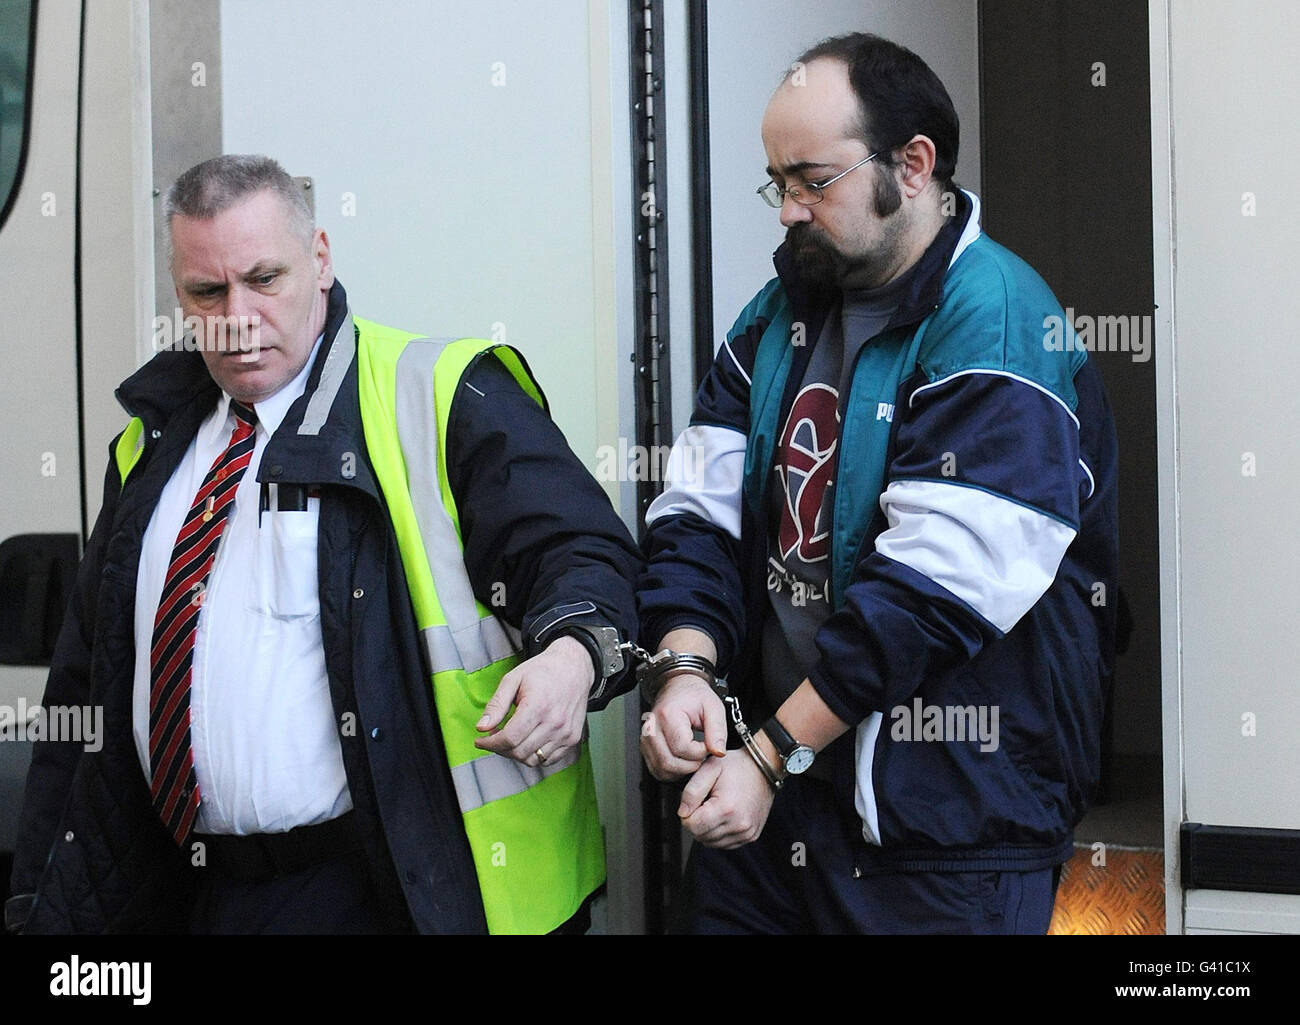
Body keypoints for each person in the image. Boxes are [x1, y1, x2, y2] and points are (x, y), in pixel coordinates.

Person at [5, 154, 640, 935]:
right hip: (196, 890)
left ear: (322, 260)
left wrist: (575, 652)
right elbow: (84, 687)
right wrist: (39, 900)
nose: (238, 317)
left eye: (264, 279)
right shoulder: (151, 443)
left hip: (390, 886)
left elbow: (582, 552)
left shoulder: (439, 391)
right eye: (208, 292)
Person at [638, 33, 1118, 933]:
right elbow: (696, 515)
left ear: (914, 164)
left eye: (812, 180)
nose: (787, 210)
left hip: (946, 835)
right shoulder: (775, 316)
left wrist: (774, 749)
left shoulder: (1000, 322)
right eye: (776, 181)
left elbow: (930, 595)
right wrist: (686, 666)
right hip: (773, 815)